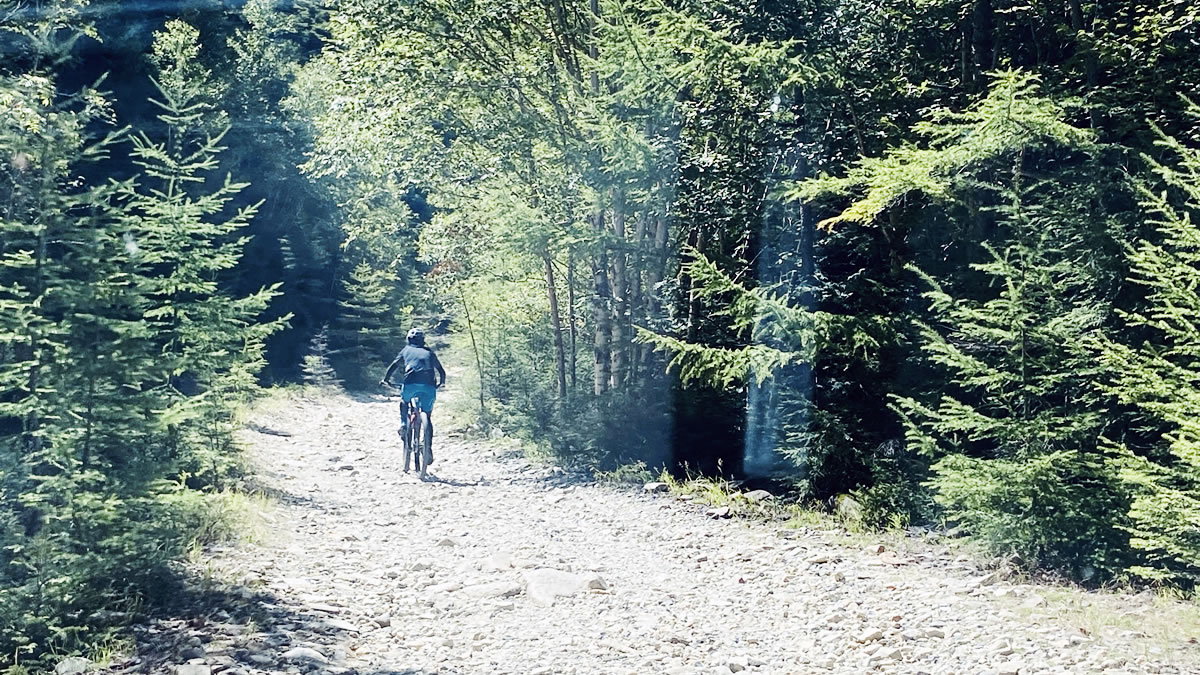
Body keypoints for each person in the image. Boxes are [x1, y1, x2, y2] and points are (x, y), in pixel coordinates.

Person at [380, 328, 447, 461]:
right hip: (429, 386)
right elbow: (441, 371)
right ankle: (427, 448)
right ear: (423, 340)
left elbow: (394, 366)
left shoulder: (406, 350)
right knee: (427, 415)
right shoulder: (429, 352)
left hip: (410, 384)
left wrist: (386, 379)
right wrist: (442, 383)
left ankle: (404, 424)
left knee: (404, 400)